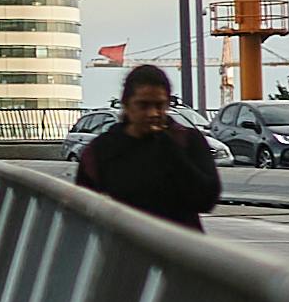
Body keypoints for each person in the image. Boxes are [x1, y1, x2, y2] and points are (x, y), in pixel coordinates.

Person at [78, 61, 221, 233]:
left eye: (159, 106)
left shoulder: (187, 140)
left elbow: (207, 200)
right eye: (143, 105)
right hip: (125, 244)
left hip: (179, 244)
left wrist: (170, 148)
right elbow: (83, 210)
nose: (153, 113)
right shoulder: (101, 150)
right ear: (126, 105)